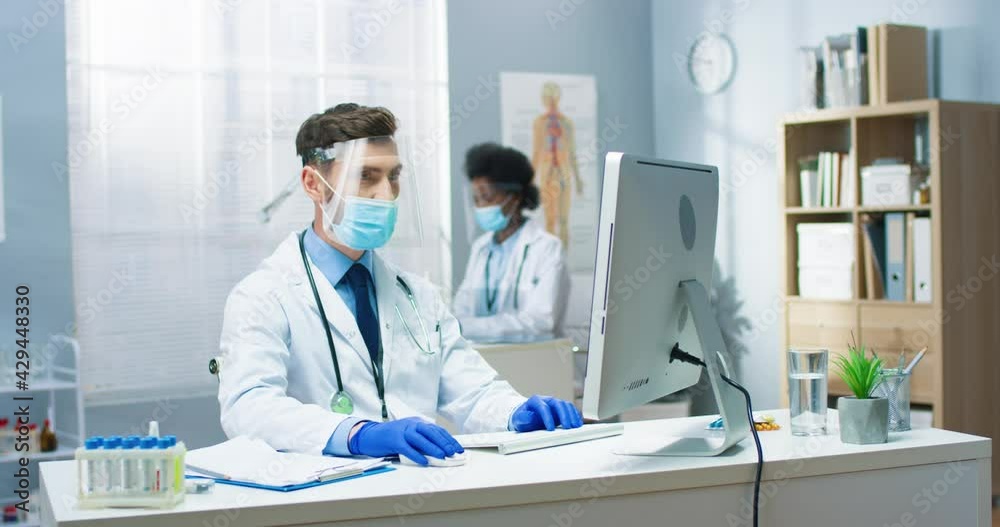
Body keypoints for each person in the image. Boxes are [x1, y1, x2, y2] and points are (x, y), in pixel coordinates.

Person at [217, 104, 581, 465]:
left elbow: (472, 392)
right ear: (313, 183)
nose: (386, 193)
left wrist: (516, 412)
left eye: (393, 176)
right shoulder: (263, 295)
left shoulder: (417, 296)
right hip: (321, 505)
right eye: (366, 176)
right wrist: (358, 434)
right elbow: (248, 407)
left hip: (418, 491)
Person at [453, 143, 570, 343]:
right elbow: (461, 310)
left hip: (535, 362)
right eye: (476, 199)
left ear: (515, 197)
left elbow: (540, 322)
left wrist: (467, 326)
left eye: (487, 197)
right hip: (485, 360)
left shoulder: (546, 248)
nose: (480, 206)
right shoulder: (481, 248)